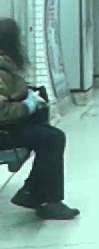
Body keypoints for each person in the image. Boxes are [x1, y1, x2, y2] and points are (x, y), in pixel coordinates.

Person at [0, 18, 79, 220]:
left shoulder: (4, 65)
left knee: (49, 135)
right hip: (4, 132)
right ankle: (46, 199)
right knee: (52, 138)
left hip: (7, 128)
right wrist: (28, 105)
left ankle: (33, 192)